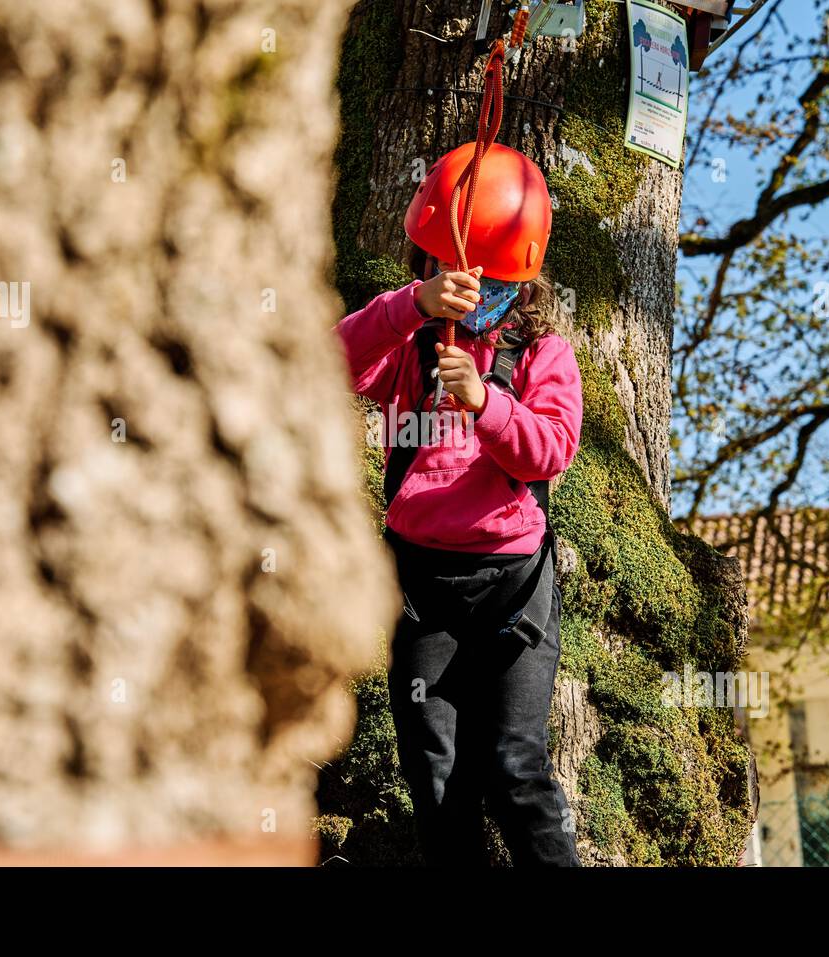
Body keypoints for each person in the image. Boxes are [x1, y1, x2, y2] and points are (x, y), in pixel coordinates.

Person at [334, 142, 584, 866]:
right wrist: (408, 308)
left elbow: (551, 449)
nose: (467, 290)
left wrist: (486, 404)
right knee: (437, 778)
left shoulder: (542, 356)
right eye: (447, 273)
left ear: (521, 283)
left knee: (515, 769)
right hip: (422, 594)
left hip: (513, 592)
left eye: (487, 279)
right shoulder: (407, 344)